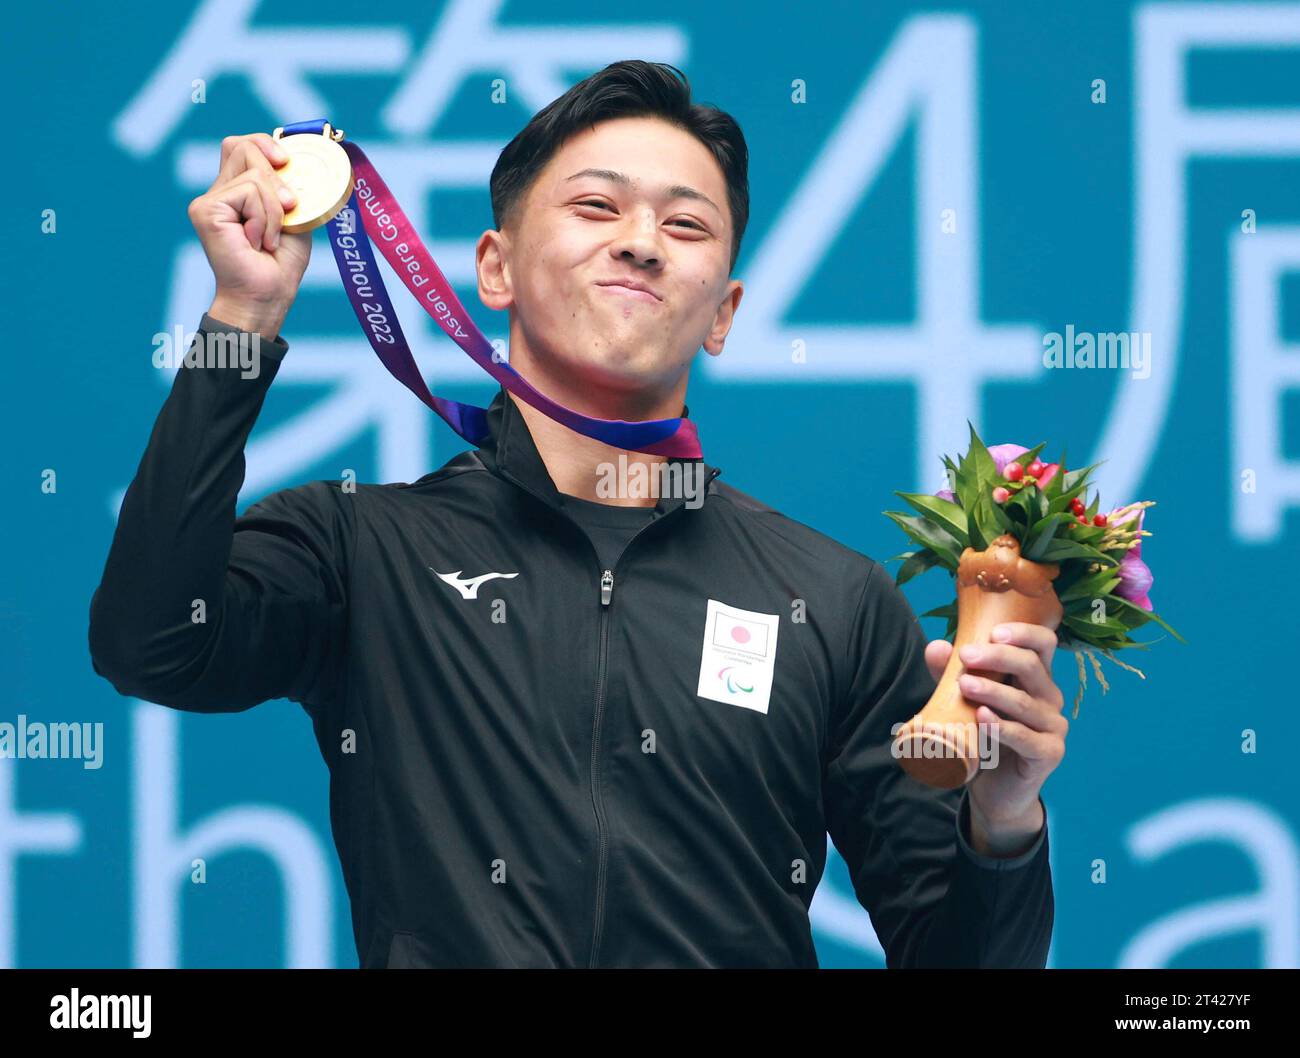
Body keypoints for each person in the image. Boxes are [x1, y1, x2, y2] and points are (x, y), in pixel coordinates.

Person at [88, 60, 1066, 969]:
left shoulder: (829, 597)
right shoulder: (362, 546)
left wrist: (1003, 818)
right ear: (494, 267)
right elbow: (153, 644)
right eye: (595, 206)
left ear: (722, 312)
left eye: (685, 226)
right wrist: (241, 320)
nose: (640, 240)